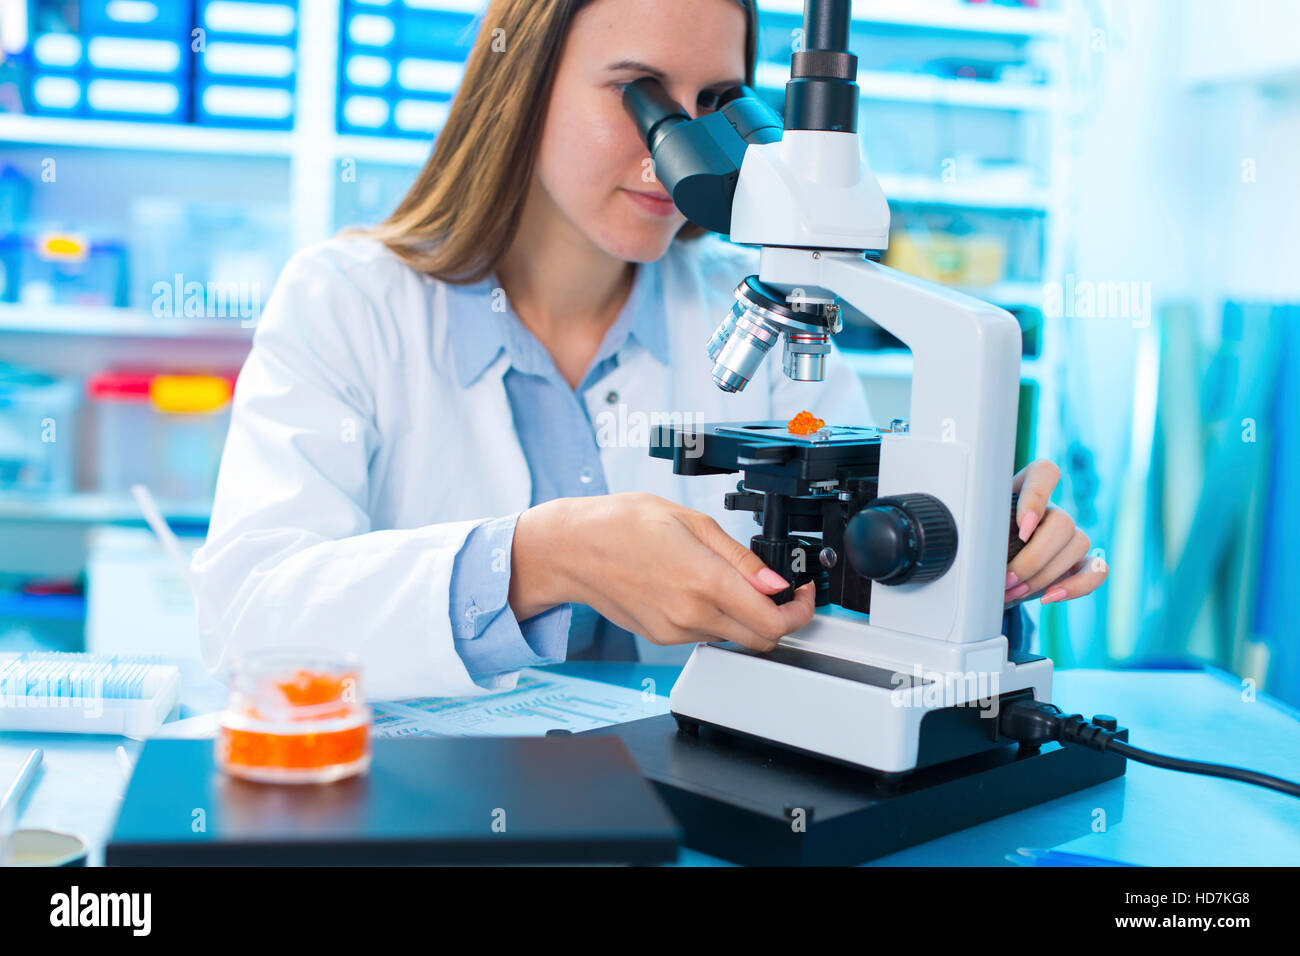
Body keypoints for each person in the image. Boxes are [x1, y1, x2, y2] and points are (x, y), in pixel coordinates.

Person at [191, 0, 1107, 700]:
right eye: (639, 95)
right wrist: (539, 558)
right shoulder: (349, 301)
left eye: (714, 103)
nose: (677, 151)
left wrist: (978, 562)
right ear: (524, 89)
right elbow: (247, 617)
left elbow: (852, 578)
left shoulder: (765, 311)